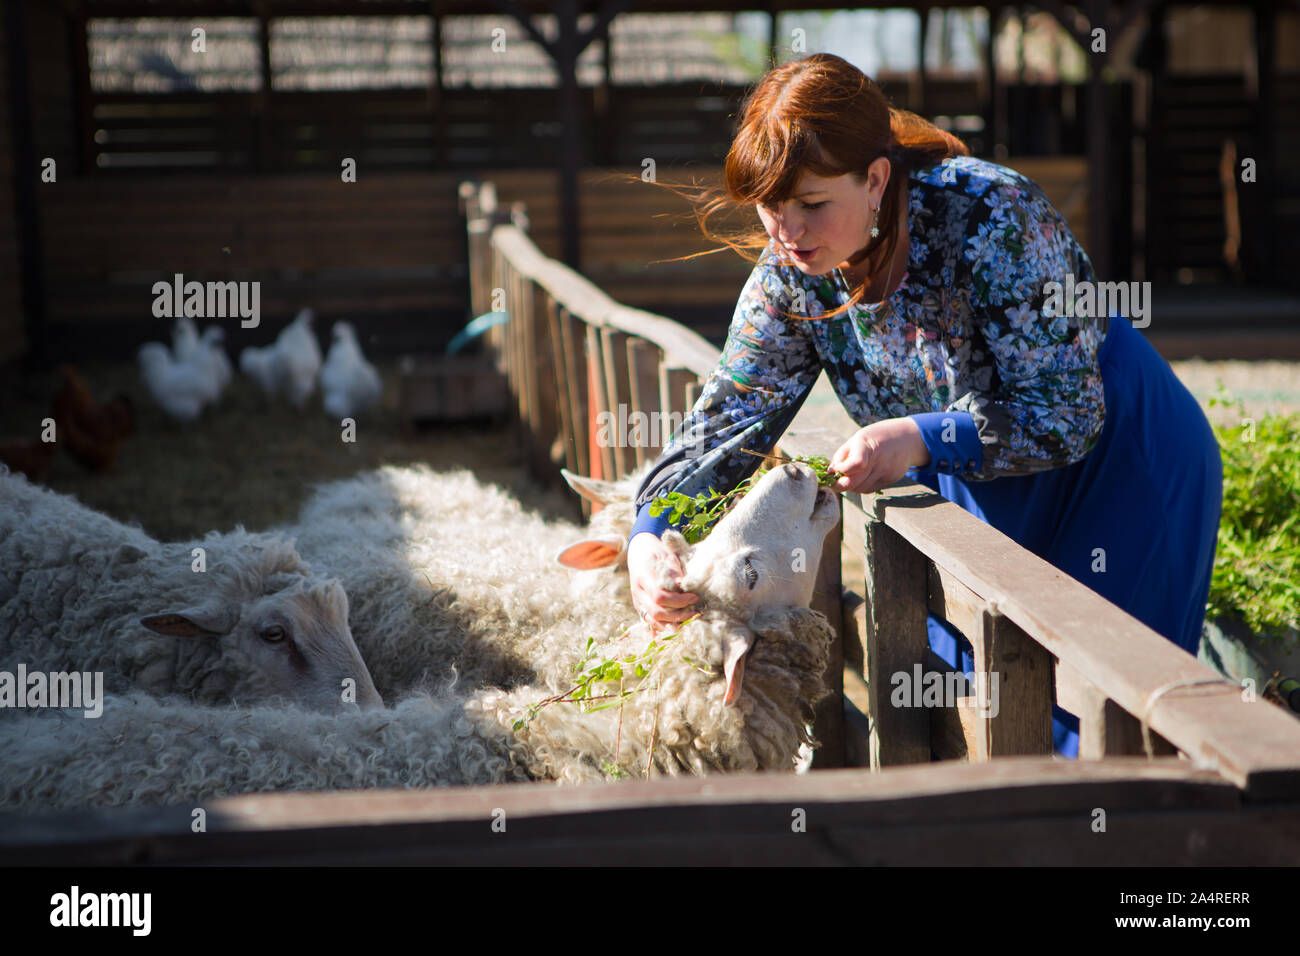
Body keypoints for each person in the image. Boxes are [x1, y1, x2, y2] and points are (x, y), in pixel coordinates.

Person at [622, 53, 1223, 757]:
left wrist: (919, 436)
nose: (788, 234)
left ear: (875, 179)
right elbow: (731, 418)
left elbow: (1063, 412)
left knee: (1100, 725)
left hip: (1115, 463)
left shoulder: (994, 218)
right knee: (974, 711)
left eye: (813, 205)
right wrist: (649, 531)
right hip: (971, 479)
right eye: (770, 209)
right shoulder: (793, 276)